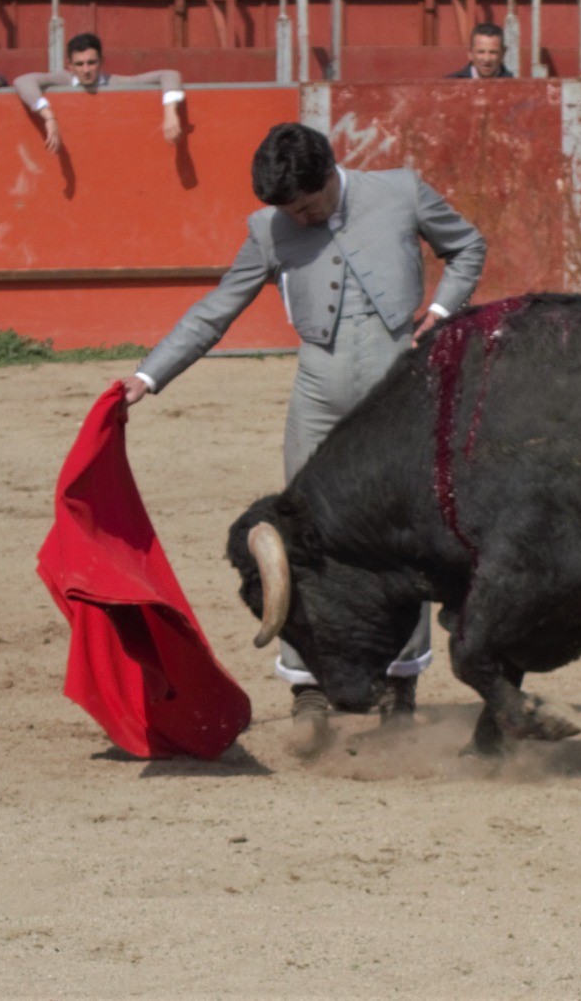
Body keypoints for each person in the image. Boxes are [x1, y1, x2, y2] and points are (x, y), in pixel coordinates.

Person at [119, 123, 487, 754]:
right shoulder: (269, 230)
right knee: (294, 544)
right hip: (318, 400)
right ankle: (307, 690)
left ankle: (398, 691)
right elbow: (217, 308)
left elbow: (468, 247)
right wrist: (149, 376)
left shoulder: (399, 192)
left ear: (329, 171)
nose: (301, 218)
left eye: (308, 205)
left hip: (401, 401)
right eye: (289, 211)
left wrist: (446, 309)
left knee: (406, 540)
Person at [13, 32, 186, 154]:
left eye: (91, 62)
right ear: (70, 66)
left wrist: (170, 113)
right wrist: (48, 116)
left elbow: (170, 74)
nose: (86, 70)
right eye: (79, 64)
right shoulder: (63, 79)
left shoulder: (115, 82)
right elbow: (22, 81)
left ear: (101, 61)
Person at [447, 22, 514, 79]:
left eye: (493, 52)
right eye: (481, 52)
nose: (487, 59)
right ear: (470, 53)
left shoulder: (514, 86)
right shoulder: (450, 85)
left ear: (503, 53)